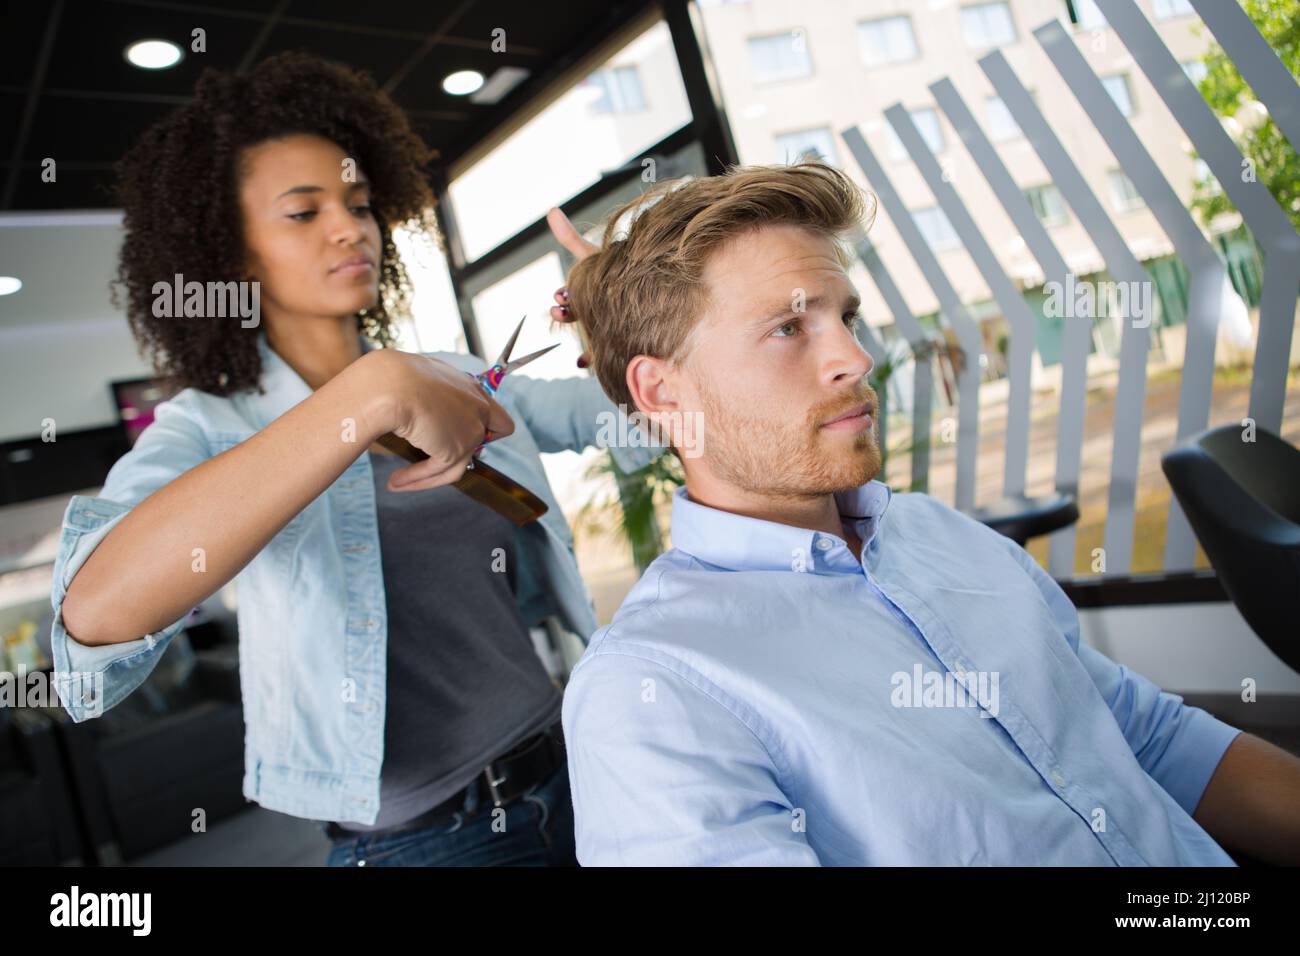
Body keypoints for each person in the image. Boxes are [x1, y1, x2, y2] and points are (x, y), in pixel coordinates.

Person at [556, 161, 1300, 866]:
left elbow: (1146, 738)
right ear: (660, 393)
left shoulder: (941, 535)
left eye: (846, 316)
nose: (854, 356)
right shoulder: (651, 693)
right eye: (788, 328)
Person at [49, 52, 651, 867]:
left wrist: (638, 317)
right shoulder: (204, 427)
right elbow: (94, 625)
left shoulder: (454, 380)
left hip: (578, 768)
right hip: (426, 842)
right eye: (304, 213)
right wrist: (363, 398)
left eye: (360, 204)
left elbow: (650, 421)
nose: (350, 228)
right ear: (231, 253)